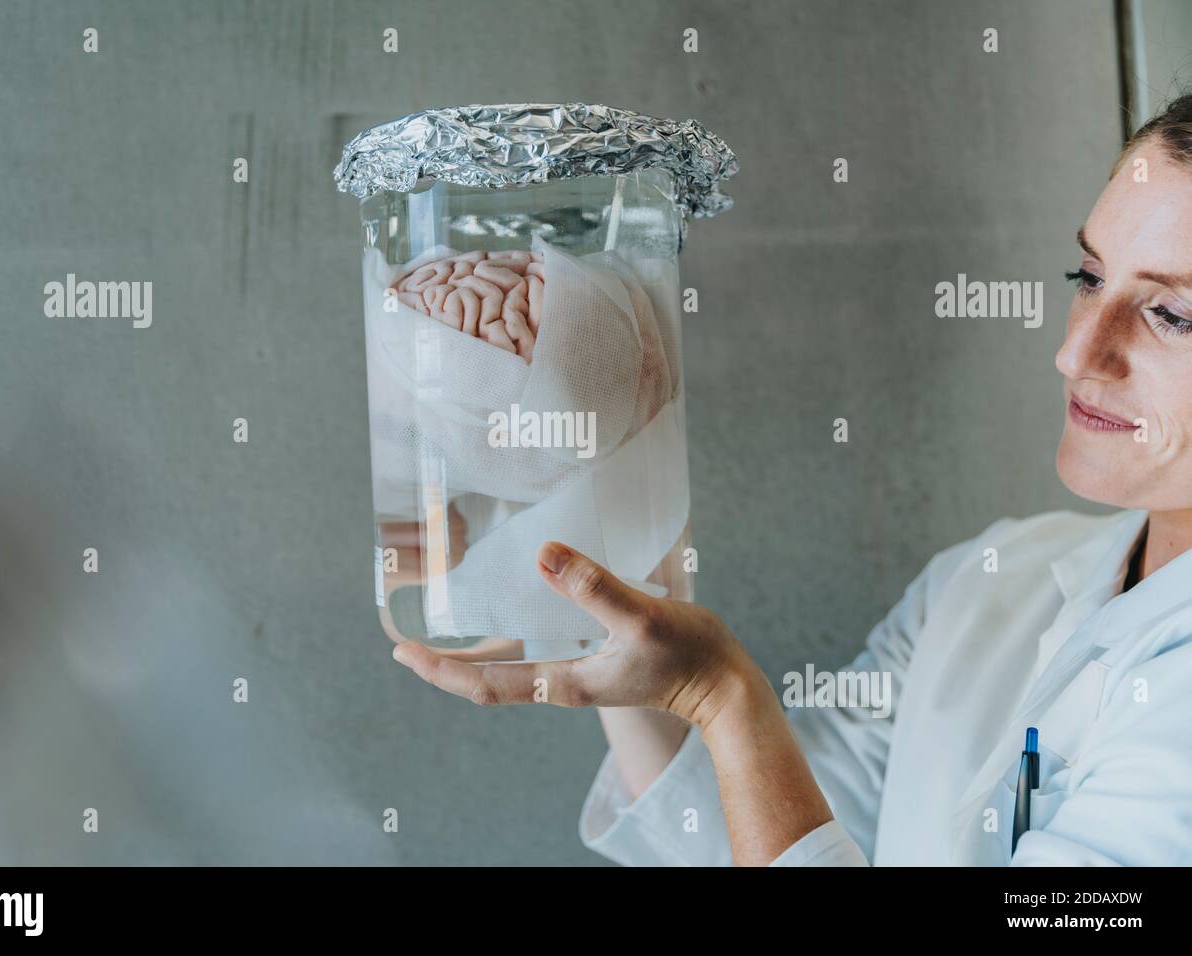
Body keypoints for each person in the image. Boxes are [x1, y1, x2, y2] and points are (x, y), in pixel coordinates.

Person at [392, 93, 1192, 866]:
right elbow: (774, 829)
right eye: (1088, 278)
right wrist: (617, 579)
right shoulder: (992, 581)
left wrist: (722, 694)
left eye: (1172, 315)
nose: (1078, 354)